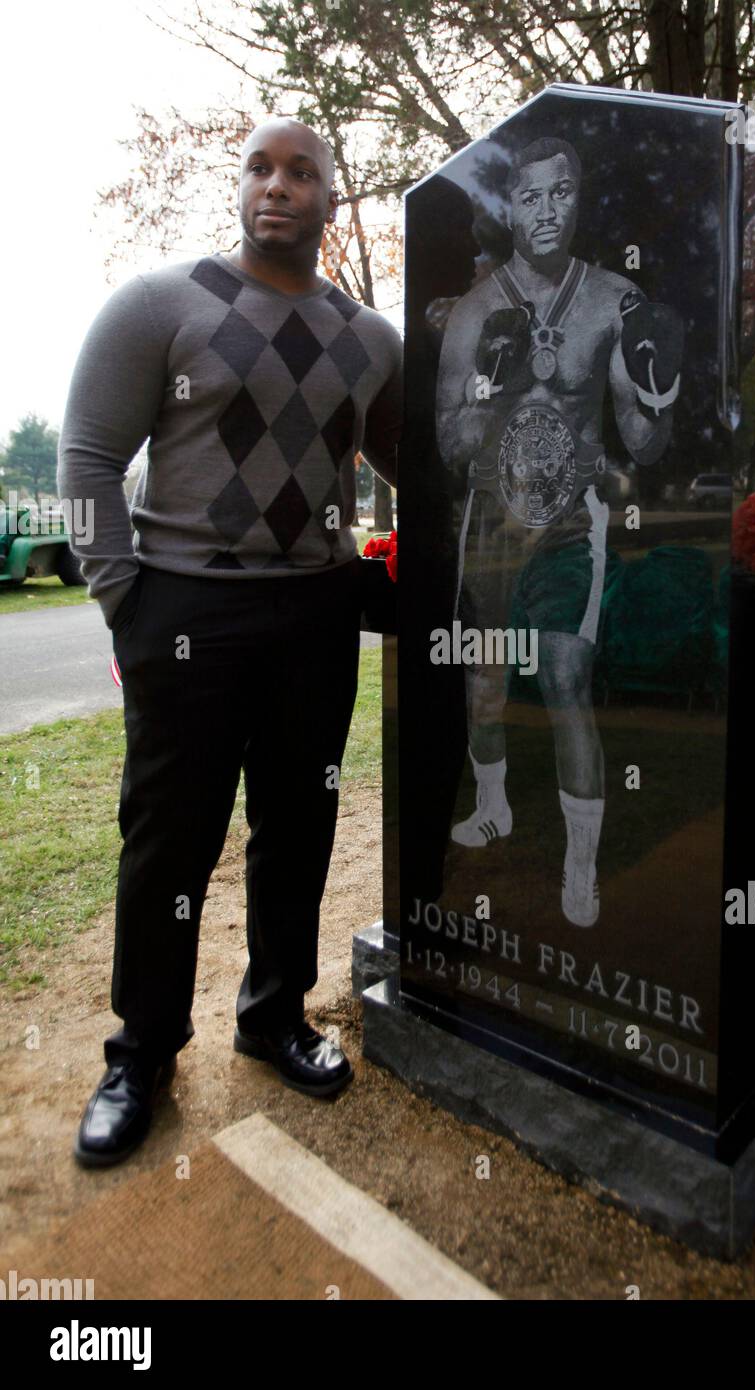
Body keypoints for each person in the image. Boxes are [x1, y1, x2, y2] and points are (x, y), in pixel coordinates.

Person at [57, 117, 402, 1167]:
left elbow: (417, 466)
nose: (279, 185)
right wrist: (125, 602)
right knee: (170, 839)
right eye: (260, 166)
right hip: (184, 614)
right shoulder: (160, 305)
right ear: (239, 185)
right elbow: (86, 462)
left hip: (316, 614)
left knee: (298, 827)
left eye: (303, 171)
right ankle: (142, 1055)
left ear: (334, 197)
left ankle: (274, 1014)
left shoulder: (369, 341)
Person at [435, 136, 681, 928]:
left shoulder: (613, 302)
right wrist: (486, 386)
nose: (546, 211)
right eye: (531, 197)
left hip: (571, 519)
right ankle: (495, 807)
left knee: (566, 678)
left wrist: (659, 389)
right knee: (484, 684)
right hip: (490, 519)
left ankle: (581, 868)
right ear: (511, 207)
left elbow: (642, 446)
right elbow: (448, 443)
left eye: (561, 194)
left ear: (576, 199)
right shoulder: (474, 308)